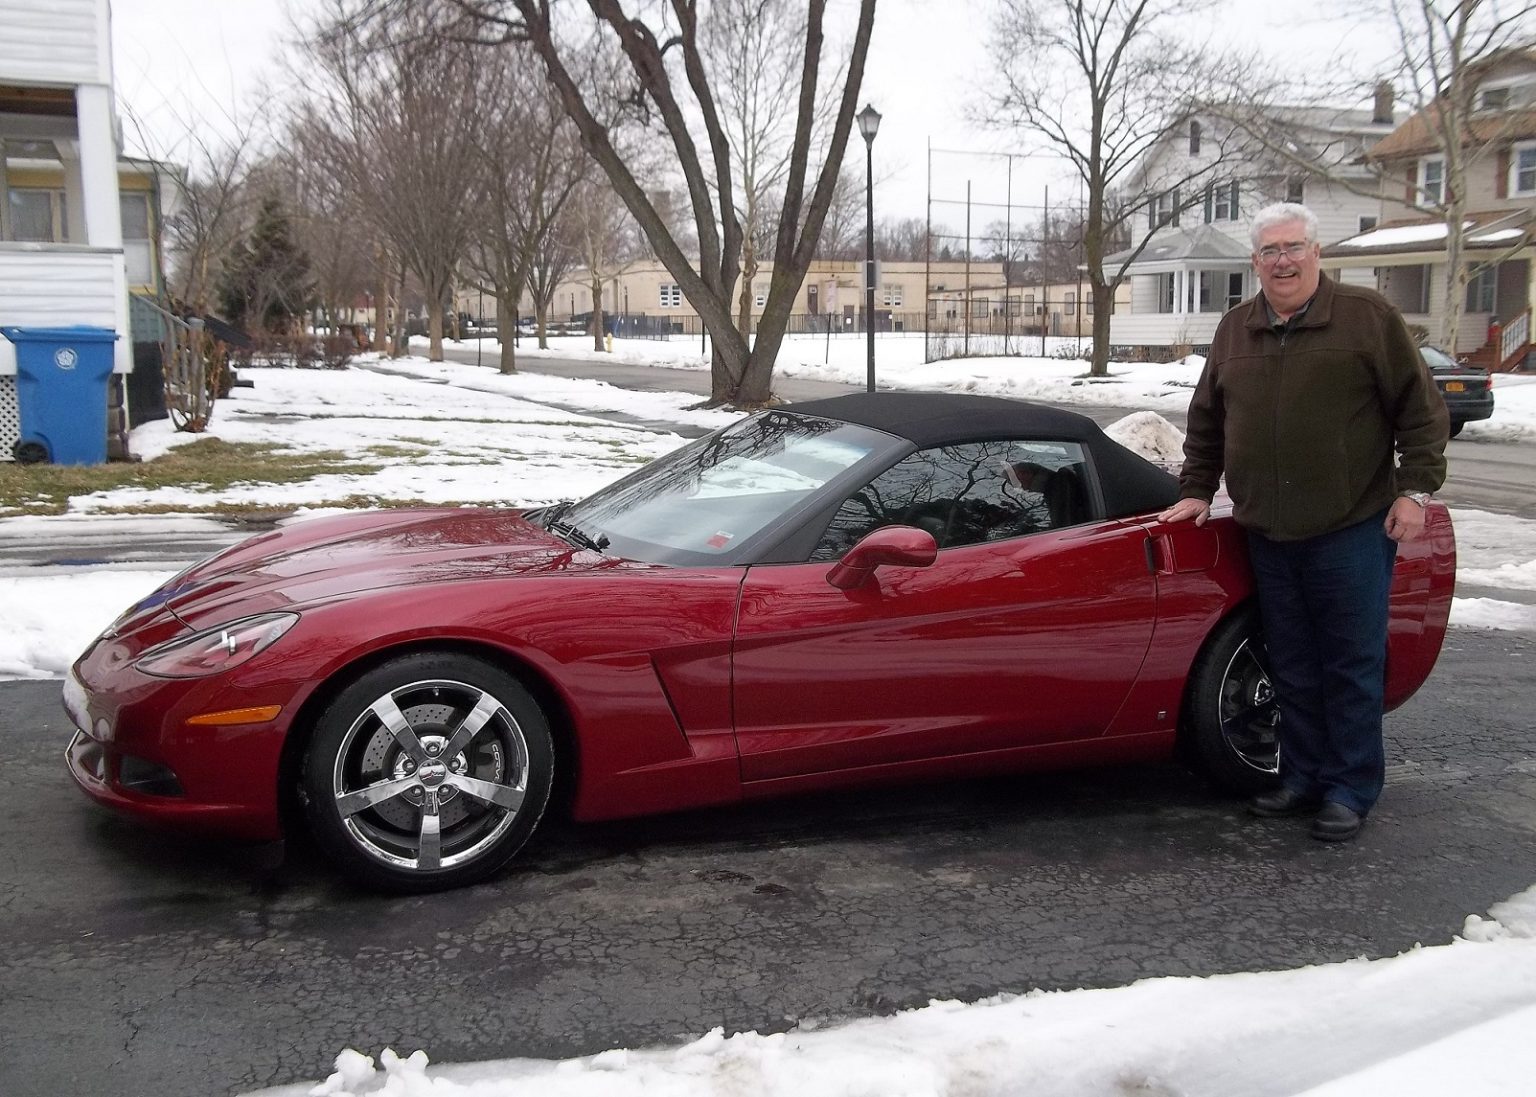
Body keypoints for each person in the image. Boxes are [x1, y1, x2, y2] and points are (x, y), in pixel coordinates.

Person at [1158, 201, 1448, 842]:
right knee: (1290, 662)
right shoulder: (1236, 328)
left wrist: (1415, 490)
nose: (1282, 261)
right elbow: (1207, 418)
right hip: (1268, 530)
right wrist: (1197, 488)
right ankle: (1302, 776)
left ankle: (1349, 788)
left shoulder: (1367, 318)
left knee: (1349, 662)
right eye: (1270, 251)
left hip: (1350, 526)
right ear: (1255, 261)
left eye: (1293, 248)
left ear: (1317, 253)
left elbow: (1421, 411)